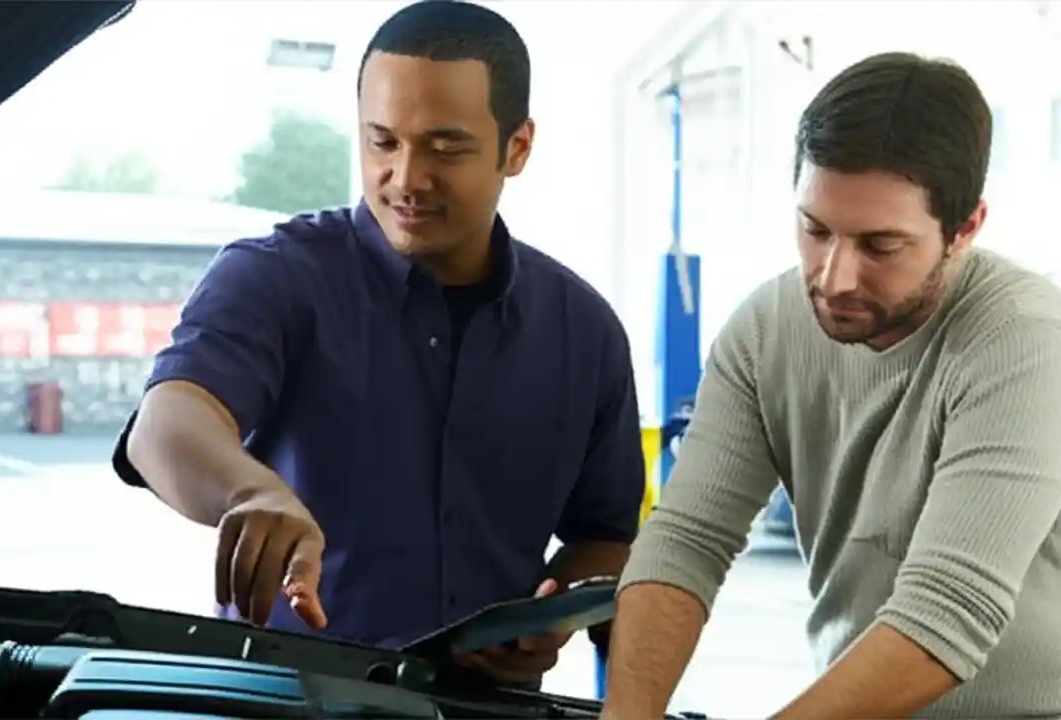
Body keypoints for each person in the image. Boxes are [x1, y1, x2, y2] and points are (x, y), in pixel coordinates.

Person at [113, 0, 644, 685]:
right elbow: (164, 427)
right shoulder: (275, 277)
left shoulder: (585, 330)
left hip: (483, 708)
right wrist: (249, 494)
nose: (406, 178)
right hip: (282, 701)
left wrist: (553, 616)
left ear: (518, 147)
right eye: (382, 141)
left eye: (445, 148)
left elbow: (604, 536)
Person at [603, 51, 1061, 719]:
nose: (833, 277)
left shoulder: (1027, 341)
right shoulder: (764, 330)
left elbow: (950, 608)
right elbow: (686, 541)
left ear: (965, 229)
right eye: (815, 230)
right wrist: (628, 715)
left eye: (880, 246)